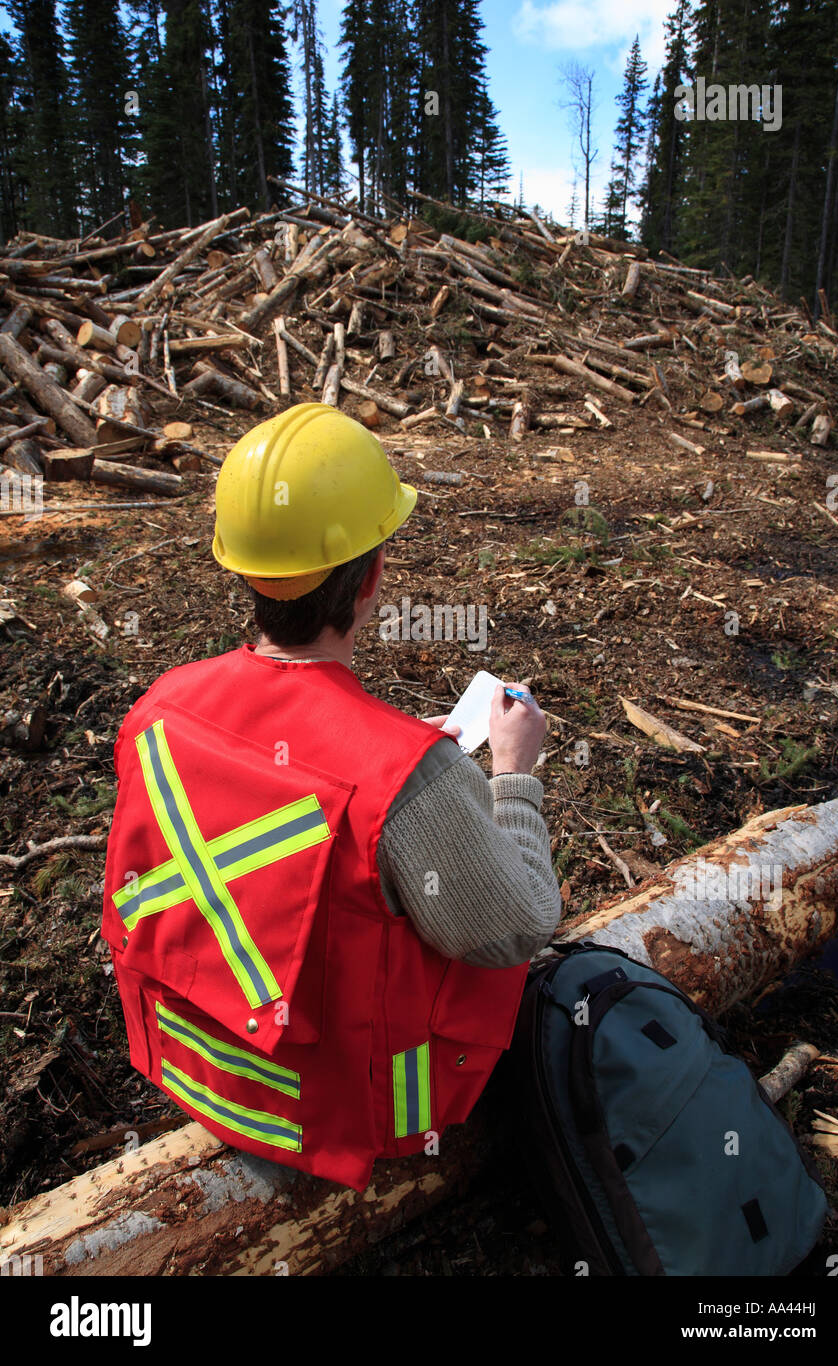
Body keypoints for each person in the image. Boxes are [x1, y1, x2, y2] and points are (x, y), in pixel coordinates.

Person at [102, 403, 562, 1192]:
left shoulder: (161, 707)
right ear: (373, 574)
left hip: (192, 1063)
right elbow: (514, 928)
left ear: (242, 567)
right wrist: (512, 776)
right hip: (354, 1117)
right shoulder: (409, 781)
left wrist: (392, 762)